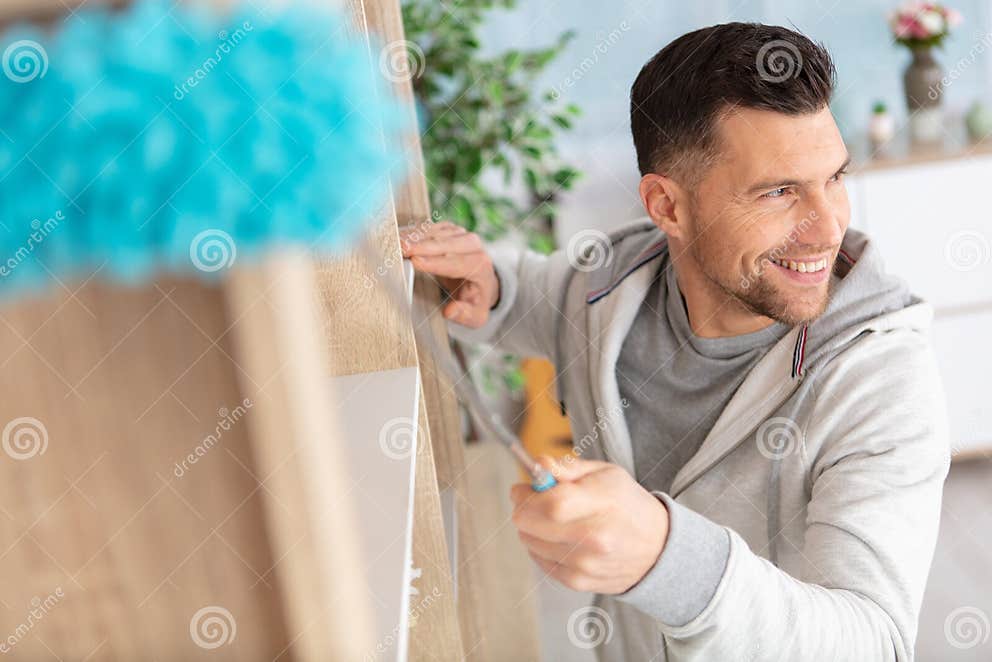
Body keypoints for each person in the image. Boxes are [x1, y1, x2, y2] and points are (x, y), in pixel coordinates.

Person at [401, 22, 949, 662]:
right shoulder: (608, 281)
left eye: (834, 178)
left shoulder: (881, 381)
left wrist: (668, 558)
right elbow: (539, 296)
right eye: (778, 192)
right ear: (667, 207)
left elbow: (873, 644)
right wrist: (491, 285)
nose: (828, 226)